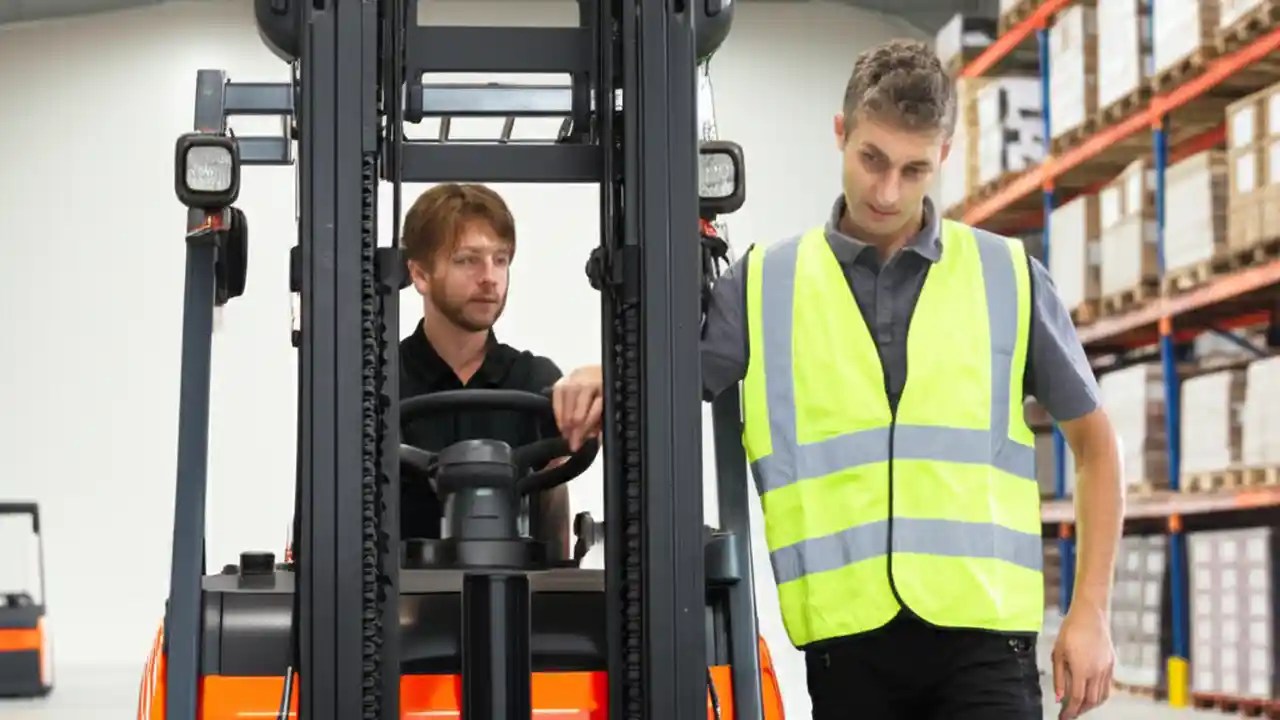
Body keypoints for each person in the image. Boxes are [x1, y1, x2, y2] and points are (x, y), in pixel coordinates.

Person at [552, 39, 1124, 720]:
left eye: (914, 170)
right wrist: (608, 371)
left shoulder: (1008, 276)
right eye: (872, 159)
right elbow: (664, 386)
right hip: (847, 654)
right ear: (840, 133)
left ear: (943, 155)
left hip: (984, 648)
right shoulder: (764, 284)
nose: (887, 192)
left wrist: (1091, 611)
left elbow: (1097, 448)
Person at [399, 182, 571, 557]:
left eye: (500, 259)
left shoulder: (534, 381)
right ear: (420, 274)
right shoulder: (377, 383)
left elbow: (554, 509)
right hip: (395, 590)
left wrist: (598, 385)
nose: (490, 277)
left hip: (513, 588)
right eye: (467, 260)